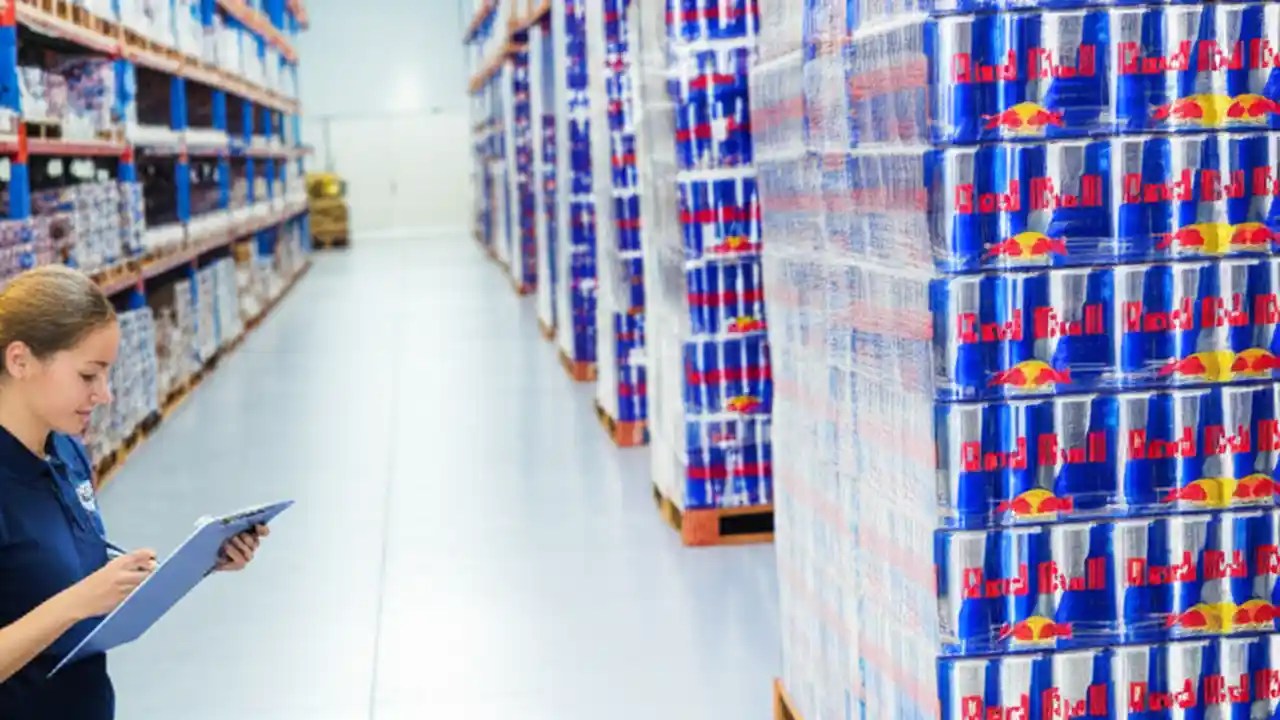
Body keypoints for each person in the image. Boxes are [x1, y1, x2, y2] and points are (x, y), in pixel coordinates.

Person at [0, 265, 268, 719]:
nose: (104, 394)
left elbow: (67, 565)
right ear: (20, 361)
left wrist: (199, 561)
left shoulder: (65, 451)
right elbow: (74, 595)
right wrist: (77, 603)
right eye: (89, 376)